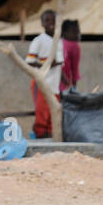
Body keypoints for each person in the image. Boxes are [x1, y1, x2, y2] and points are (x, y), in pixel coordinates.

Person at [26, 9, 63, 138]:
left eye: (53, 20)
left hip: (55, 85)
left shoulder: (59, 40)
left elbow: (60, 64)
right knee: (42, 114)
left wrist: (65, 82)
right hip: (41, 83)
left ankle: (51, 139)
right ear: (42, 23)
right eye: (47, 20)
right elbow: (29, 62)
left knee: (53, 115)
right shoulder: (39, 40)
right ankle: (41, 138)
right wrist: (46, 65)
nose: (51, 23)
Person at [59, 18, 82, 92]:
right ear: (65, 32)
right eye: (74, 32)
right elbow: (75, 70)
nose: (77, 35)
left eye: (78, 32)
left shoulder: (58, 43)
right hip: (64, 84)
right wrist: (72, 88)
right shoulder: (74, 46)